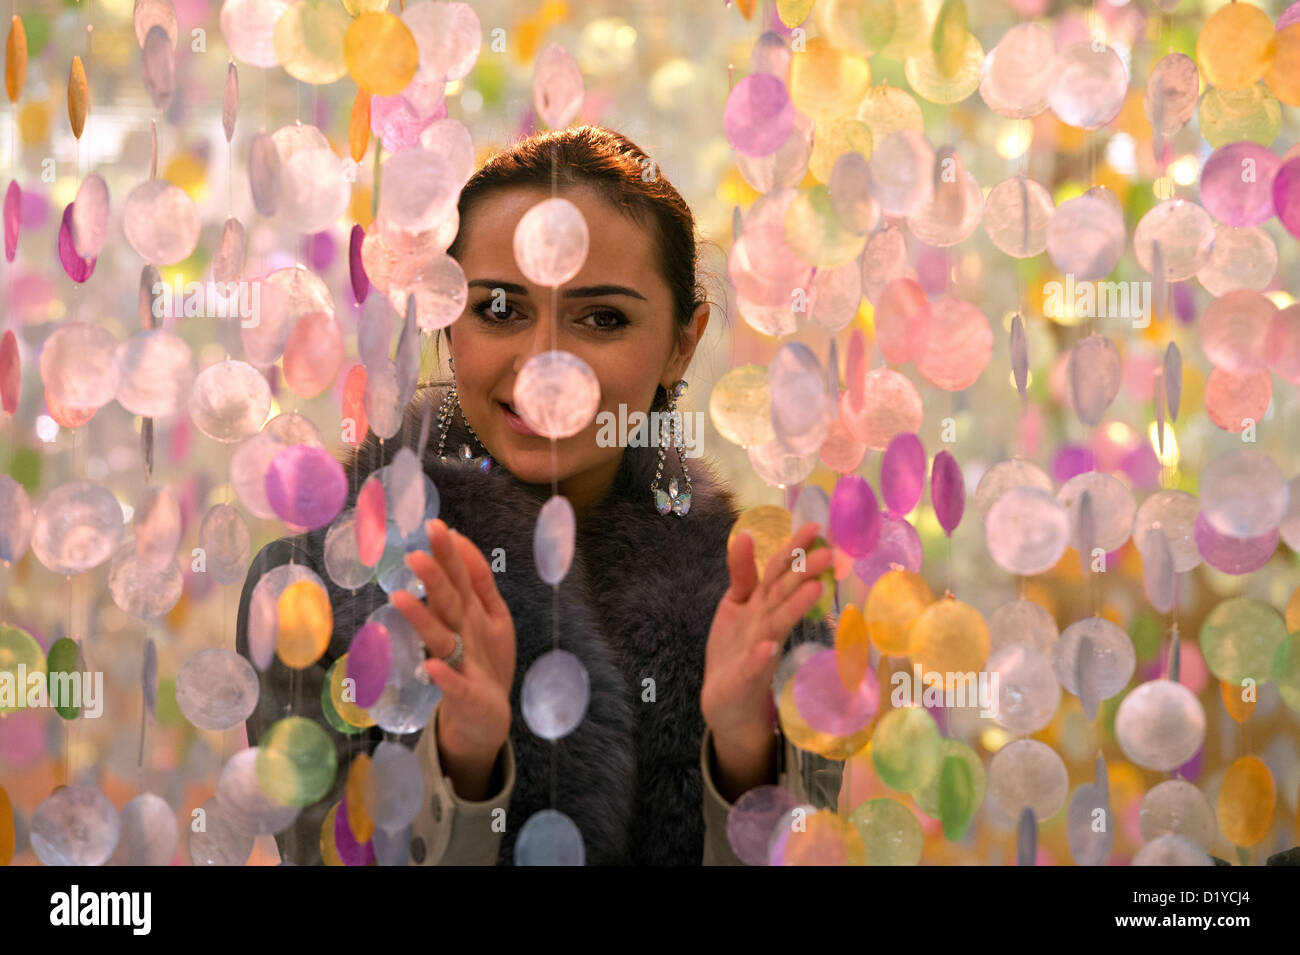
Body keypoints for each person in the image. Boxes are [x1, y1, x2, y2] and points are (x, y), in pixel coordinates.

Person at [235, 124, 844, 865]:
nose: (546, 366)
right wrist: (467, 765)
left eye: (602, 318)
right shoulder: (312, 593)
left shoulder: (770, 614)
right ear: (447, 319)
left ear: (682, 344)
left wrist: (743, 758)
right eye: (500, 309)